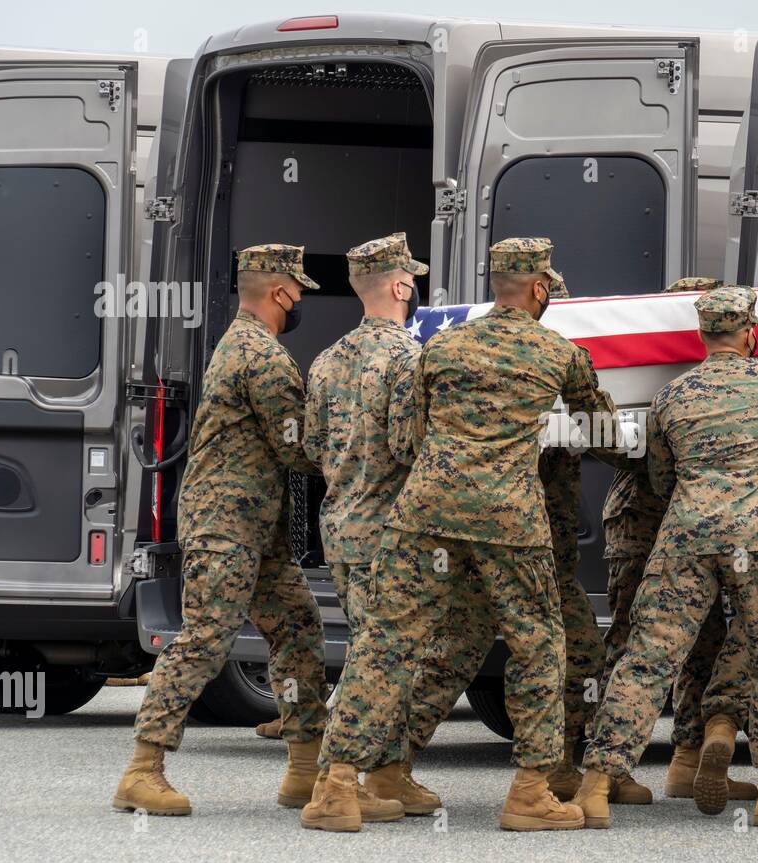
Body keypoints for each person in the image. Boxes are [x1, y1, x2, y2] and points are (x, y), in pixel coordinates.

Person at [303, 238, 620, 832]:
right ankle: (531, 792)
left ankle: (337, 786)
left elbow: (409, 435)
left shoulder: (438, 347)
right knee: (537, 647)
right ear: (540, 289)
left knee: (385, 644)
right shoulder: (560, 351)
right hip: (509, 520)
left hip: (423, 513)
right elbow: (602, 433)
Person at [575, 287, 758, 829]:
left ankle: (596, 787)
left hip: (686, 538)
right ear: (750, 334)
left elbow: (661, 478)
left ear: (700, 335)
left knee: (647, 660)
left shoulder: (670, 396)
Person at [114, 244, 328, 815]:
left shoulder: (238, 343)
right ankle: (142, 770)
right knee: (207, 637)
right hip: (227, 526)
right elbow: (299, 448)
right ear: (281, 292)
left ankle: (305, 768)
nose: (300, 300)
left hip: (256, 530)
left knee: (299, 629)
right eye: (298, 290)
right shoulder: (263, 356)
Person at [593, 276, 757, 805]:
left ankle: (687, 759)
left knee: (704, 642)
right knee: (633, 642)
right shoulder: (661, 376)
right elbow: (613, 445)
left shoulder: (693, 382)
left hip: (687, 526)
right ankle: (605, 769)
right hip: (646, 520)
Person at [301, 233, 433, 823]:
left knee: (374, 648)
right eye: (414, 280)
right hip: (391, 531)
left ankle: (387, 773)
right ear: (401, 286)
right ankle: (336, 782)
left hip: (342, 527)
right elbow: (411, 446)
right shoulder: (409, 358)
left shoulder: (327, 359)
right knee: (384, 657)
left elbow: (311, 448)